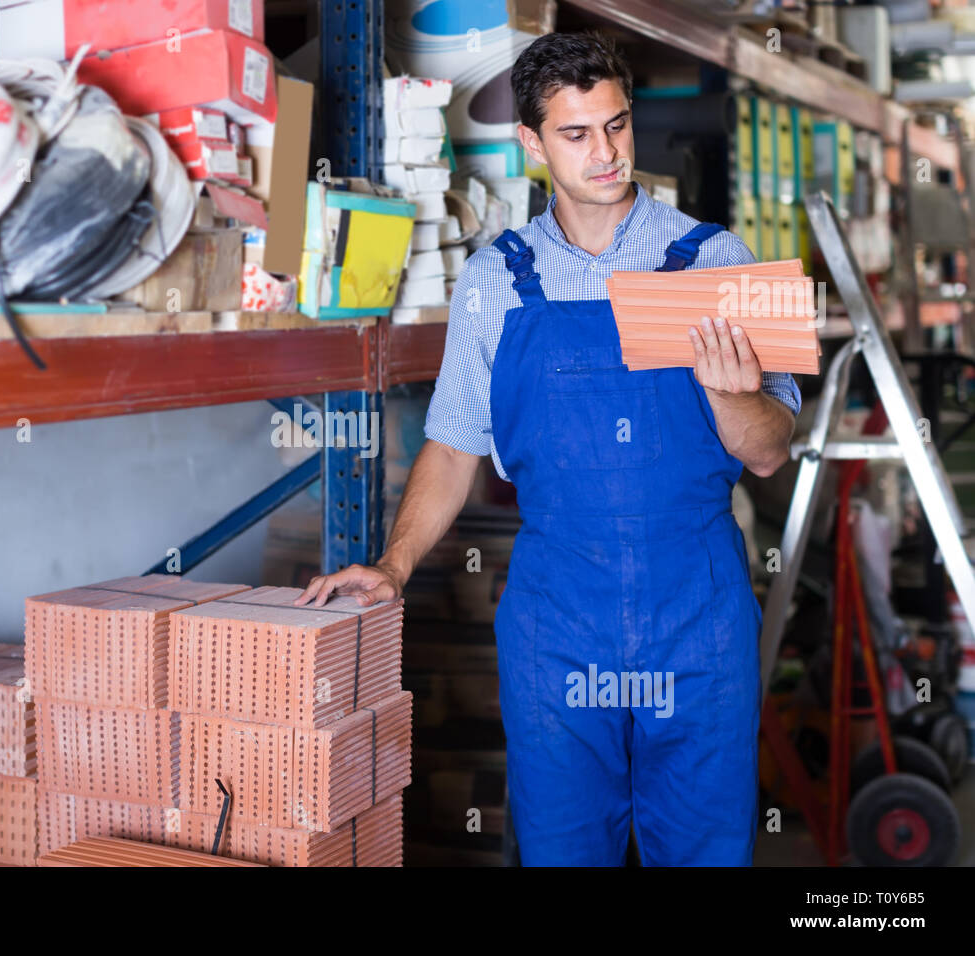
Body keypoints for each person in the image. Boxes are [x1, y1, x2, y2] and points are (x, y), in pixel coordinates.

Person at [294, 31, 800, 866]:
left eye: (617, 125)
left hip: (697, 615)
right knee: (563, 846)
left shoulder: (715, 261)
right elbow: (453, 446)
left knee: (708, 846)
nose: (606, 153)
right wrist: (393, 565)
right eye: (576, 134)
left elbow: (772, 449)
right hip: (561, 621)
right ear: (531, 143)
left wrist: (726, 389)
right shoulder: (497, 280)